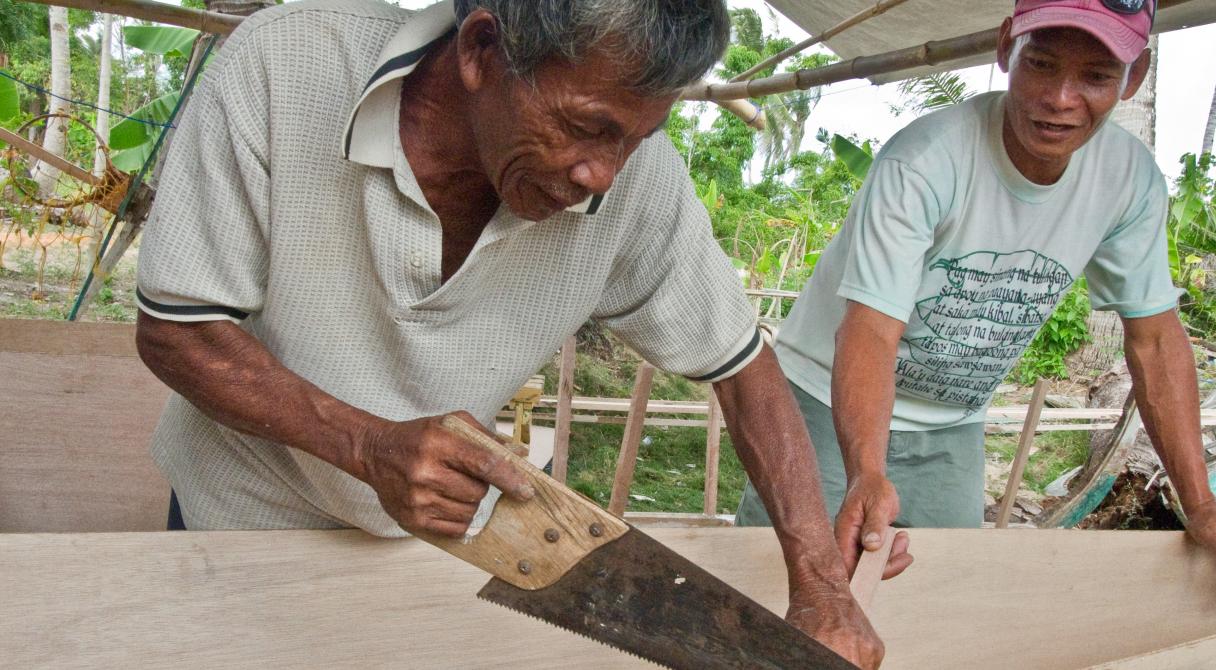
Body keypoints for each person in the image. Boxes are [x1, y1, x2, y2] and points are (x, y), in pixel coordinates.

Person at [133, 0, 882, 665]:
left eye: (637, 138)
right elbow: (178, 330)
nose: (604, 176)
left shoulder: (635, 181)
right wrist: (366, 444)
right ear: (482, 49)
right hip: (236, 522)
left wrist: (822, 588)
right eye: (587, 128)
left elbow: (742, 366)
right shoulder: (284, 64)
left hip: (427, 551)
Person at [739, 0, 1216, 595]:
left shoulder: (1128, 179)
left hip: (953, 423)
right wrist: (865, 472)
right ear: (1006, 48)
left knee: (938, 597)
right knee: (787, 586)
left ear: (1135, 77)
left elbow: (1155, 341)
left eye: (1096, 76)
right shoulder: (925, 160)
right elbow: (871, 329)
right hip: (823, 401)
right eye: (1041, 64)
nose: (1060, 98)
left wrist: (1200, 502)